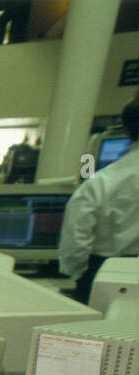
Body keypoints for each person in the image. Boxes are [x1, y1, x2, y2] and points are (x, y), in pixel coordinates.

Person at [60, 95, 138, 304]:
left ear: (125, 128)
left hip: (106, 277)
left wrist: (81, 278)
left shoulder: (100, 184)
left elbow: (75, 245)